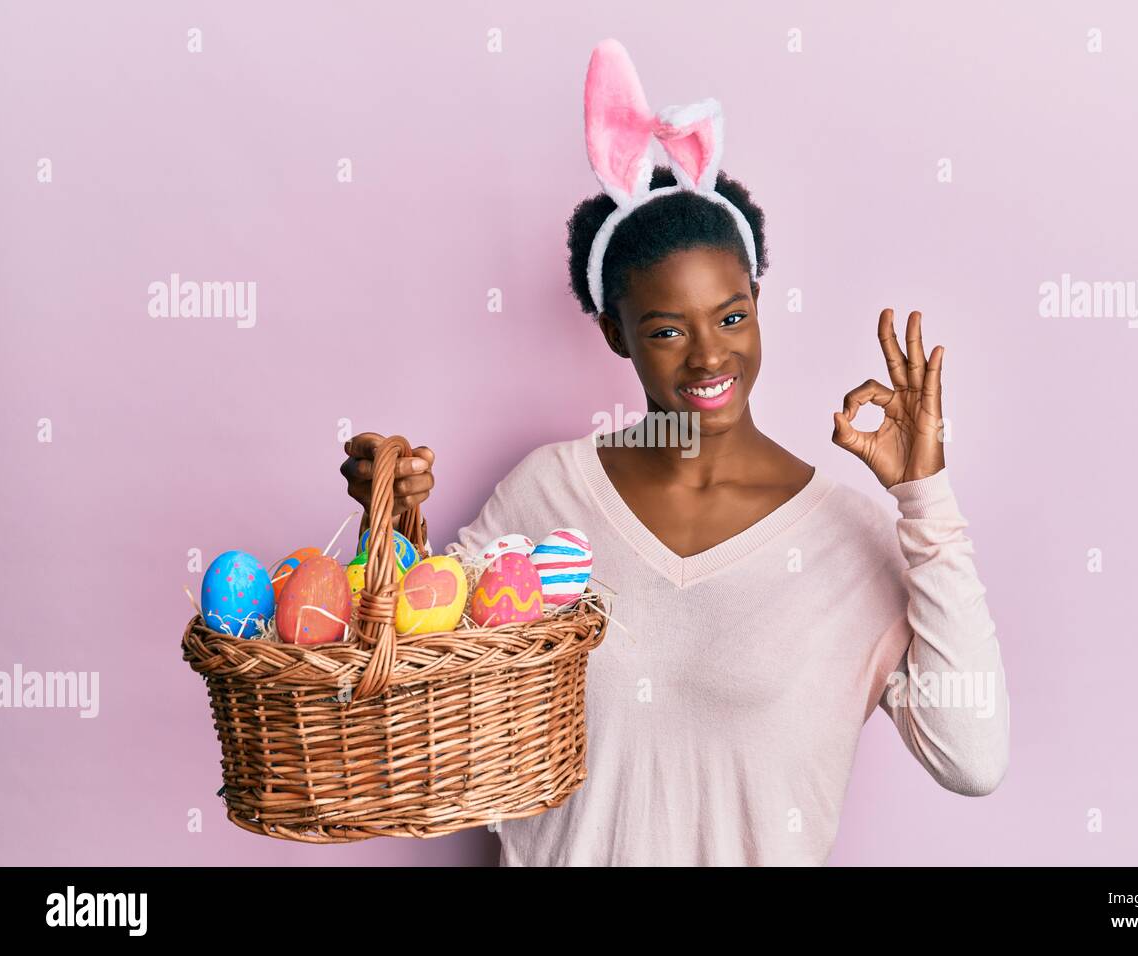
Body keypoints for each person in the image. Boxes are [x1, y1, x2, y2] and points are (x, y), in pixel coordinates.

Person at [338, 39, 1008, 866]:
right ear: (614, 333)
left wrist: (926, 499)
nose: (708, 359)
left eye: (731, 317)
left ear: (759, 299)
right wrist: (392, 525)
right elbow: (412, 692)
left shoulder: (852, 542)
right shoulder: (546, 497)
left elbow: (972, 759)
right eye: (665, 330)